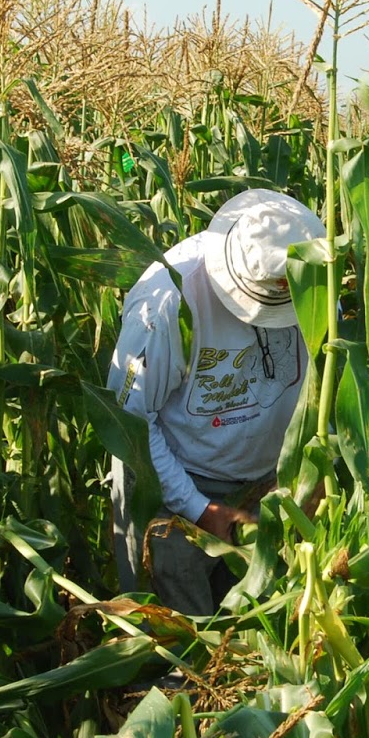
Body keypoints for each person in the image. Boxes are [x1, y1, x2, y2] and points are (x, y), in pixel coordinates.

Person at [107, 189, 324, 615]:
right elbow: (130, 421)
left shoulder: (315, 278)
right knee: (176, 634)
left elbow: (326, 385)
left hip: (273, 484)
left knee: (253, 627)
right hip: (175, 484)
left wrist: (313, 473)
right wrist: (197, 508)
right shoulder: (166, 301)